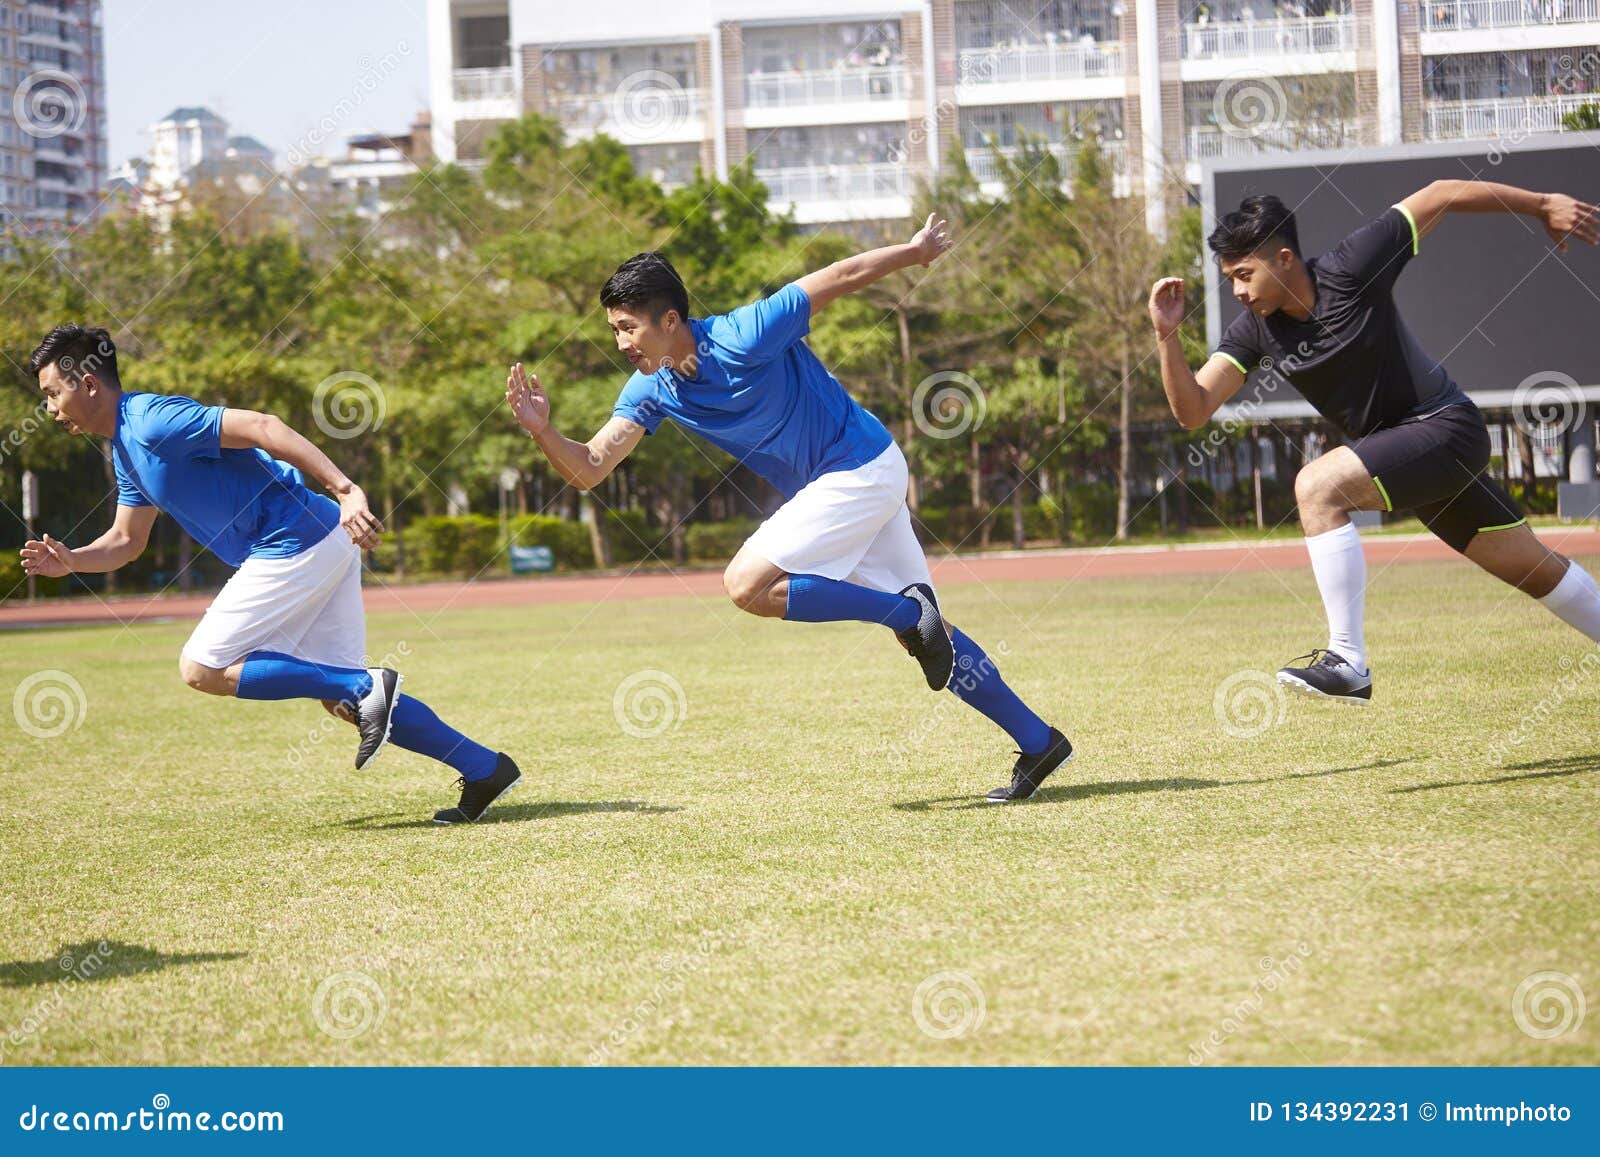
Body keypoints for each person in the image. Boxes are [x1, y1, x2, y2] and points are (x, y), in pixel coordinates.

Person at [504, 218, 1073, 802]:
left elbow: (840, 276)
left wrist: (916, 252)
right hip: (849, 485)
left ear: (669, 321)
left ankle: (903, 613)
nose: (621, 343)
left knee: (746, 586)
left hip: (859, 465)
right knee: (933, 639)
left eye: (628, 329)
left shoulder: (743, 334)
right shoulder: (652, 390)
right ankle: (1037, 740)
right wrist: (543, 431)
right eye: (615, 330)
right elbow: (591, 467)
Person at [20, 325, 521, 824]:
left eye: (52, 394)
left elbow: (264, 426)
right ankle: (483, 768)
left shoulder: (151, 420)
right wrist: (72, 559)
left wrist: (347, 489)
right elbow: (126, 543)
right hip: (321, 540)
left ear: (87, 385)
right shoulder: (126, 450)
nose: (50, 409)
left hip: (292, 539)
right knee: (340, 701)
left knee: (201, 668)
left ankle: (363, 685)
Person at [1148, 183, 1600, 702]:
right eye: (1229, 279)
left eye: (1244, 275)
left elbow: (1443, 194)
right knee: (1536, 570)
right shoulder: (1254, 331)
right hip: (1414, 459)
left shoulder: (1352, 265)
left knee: (1317, 487)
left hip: (1445, 426)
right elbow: (1194, 410)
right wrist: (1166, 337)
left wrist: (1542, 205)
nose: (1238, 292)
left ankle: (1348, 660)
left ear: (1285, 258)